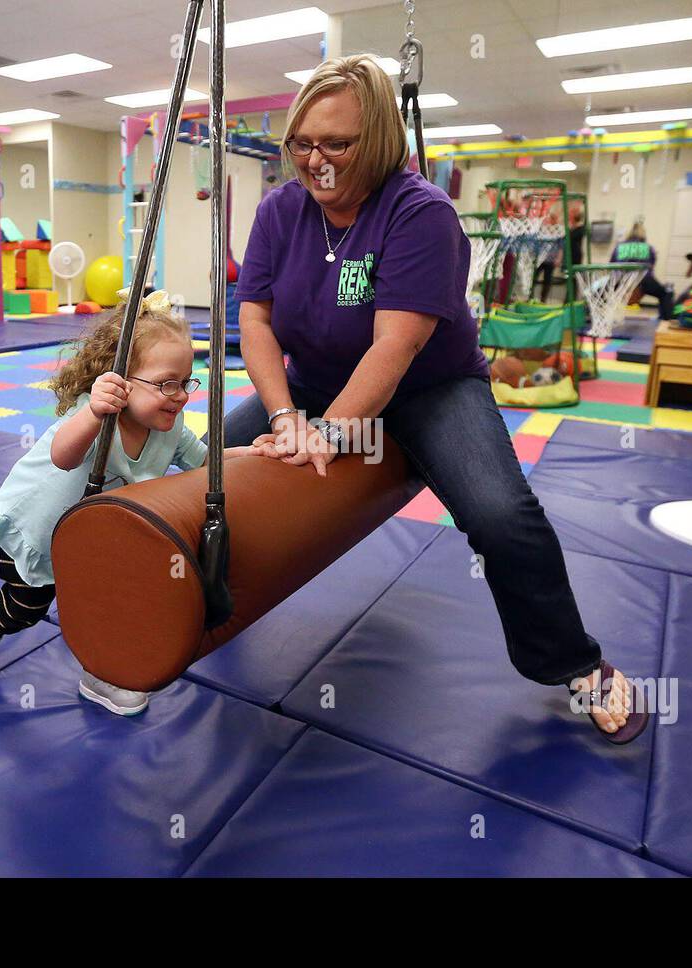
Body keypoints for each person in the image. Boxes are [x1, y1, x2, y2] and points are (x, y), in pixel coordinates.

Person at [224, 54, 648, 742]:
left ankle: (577, 663)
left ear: (382, 141)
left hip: (429, 387)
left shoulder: (420, 213)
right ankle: (205, 600)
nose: (315, 160)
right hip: (313, 381)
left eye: (337, 143)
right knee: (212, 466)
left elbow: (394, 348)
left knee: (501, 514)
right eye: (302, 143)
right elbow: (257, 319)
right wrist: (284, 417)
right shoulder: (281, 209)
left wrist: (331, 435)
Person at [0, 293, 275, 716]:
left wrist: (252, 453)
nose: (179, 395)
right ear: (121, 381)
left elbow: (203, 464)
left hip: (93, 536)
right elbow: (63, 456)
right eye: (166, 383)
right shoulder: (99, 417)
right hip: (37, 529)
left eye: (186, 381)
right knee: (24, 609)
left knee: (109, 601)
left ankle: (103, 673)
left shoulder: (169, 425)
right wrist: (93, 414)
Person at [610, 222, 673, 321]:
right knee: (665, 293)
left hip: (621, 280)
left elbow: (612, 266)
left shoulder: (619, 247)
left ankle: (600, 318)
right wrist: (642, 289)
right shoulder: (648, 248)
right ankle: (665, 321)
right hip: (643, 279)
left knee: (601, 293)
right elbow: (651, 267)